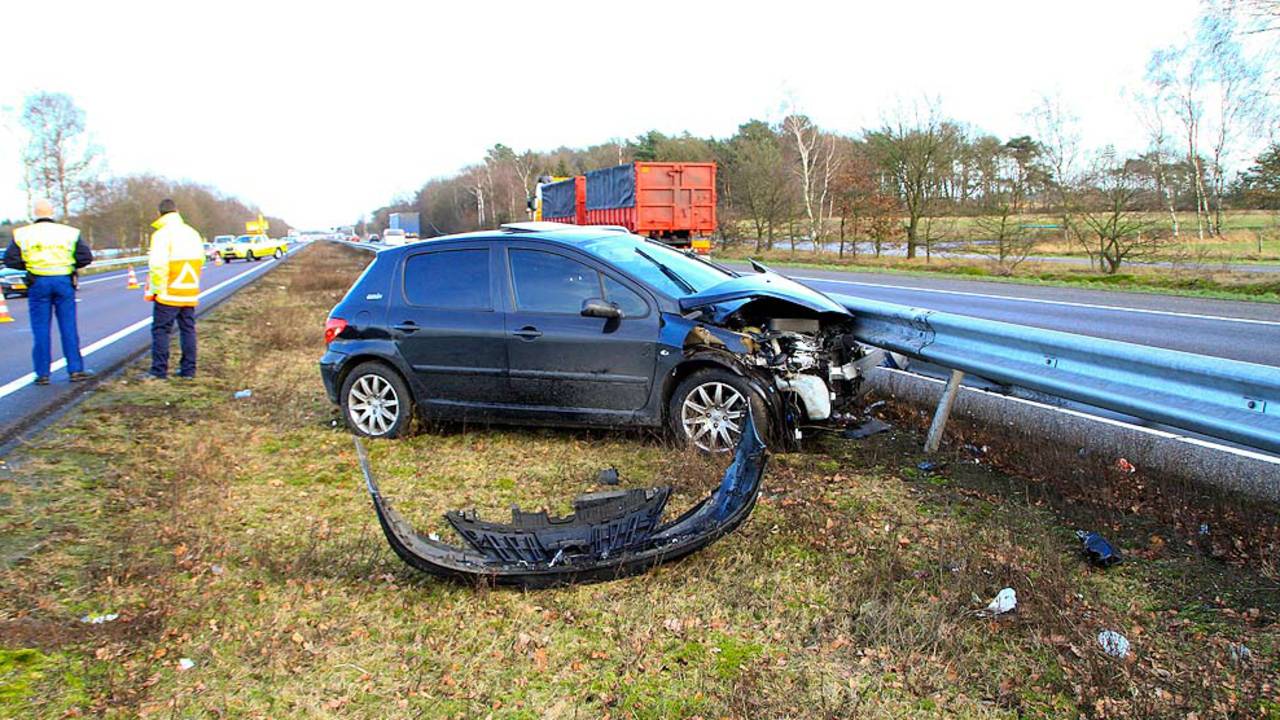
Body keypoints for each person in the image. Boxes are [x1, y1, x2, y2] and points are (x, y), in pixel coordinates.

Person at [3, 199, 94, 385]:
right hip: (63, 280)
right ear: (52, 212)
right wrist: (70, 266)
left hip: (38, 281)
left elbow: (10, 259)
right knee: (68, 327)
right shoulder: (69, 232)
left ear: (35, 213)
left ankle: (42, 373)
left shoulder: (22, 234)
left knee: (41, 329)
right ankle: (75, 370)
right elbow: (85, 256)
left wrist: (29, 266)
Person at [143, 198, 204, 380]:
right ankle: (188, 370)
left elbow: (157, 266)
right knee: (188, 329)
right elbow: (201, 260)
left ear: (159, 213)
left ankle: (158, 370)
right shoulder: (192, 233)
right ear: (177, 211)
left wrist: (156, 288)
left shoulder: (162, 235)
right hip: (189, 289)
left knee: (161, 330)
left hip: (169, 290)